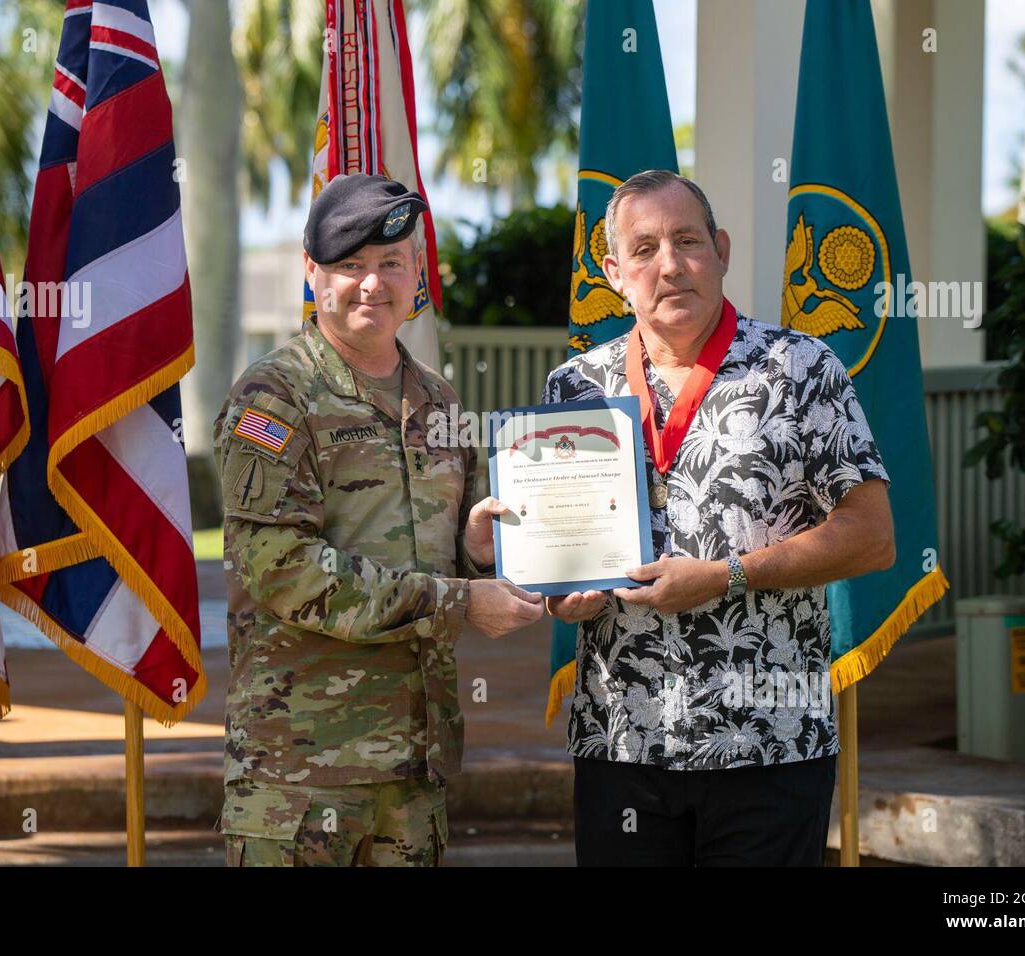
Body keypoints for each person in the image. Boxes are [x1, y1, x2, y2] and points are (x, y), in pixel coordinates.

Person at [543, 169, 896, 866]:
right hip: (622, 743)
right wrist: (565, 595)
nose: (669, 264)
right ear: (615, 273)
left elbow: (873, 537)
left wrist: (726, 576)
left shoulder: (800, 369)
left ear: (722, 250)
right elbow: (559, 562)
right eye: (643, 249)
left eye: (687, 240)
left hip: (768, 743)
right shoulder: (576, 388)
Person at [212, 173, 544, 866]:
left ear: (416, 271)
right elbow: (285, 571)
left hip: (414, 775)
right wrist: (459, 597)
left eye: (390, 263)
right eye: (349, 266)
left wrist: (477, 554)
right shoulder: (274, 399)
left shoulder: (440, 401)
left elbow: (446, 559)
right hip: (300, 777)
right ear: (312, 274)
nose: (372, 284)